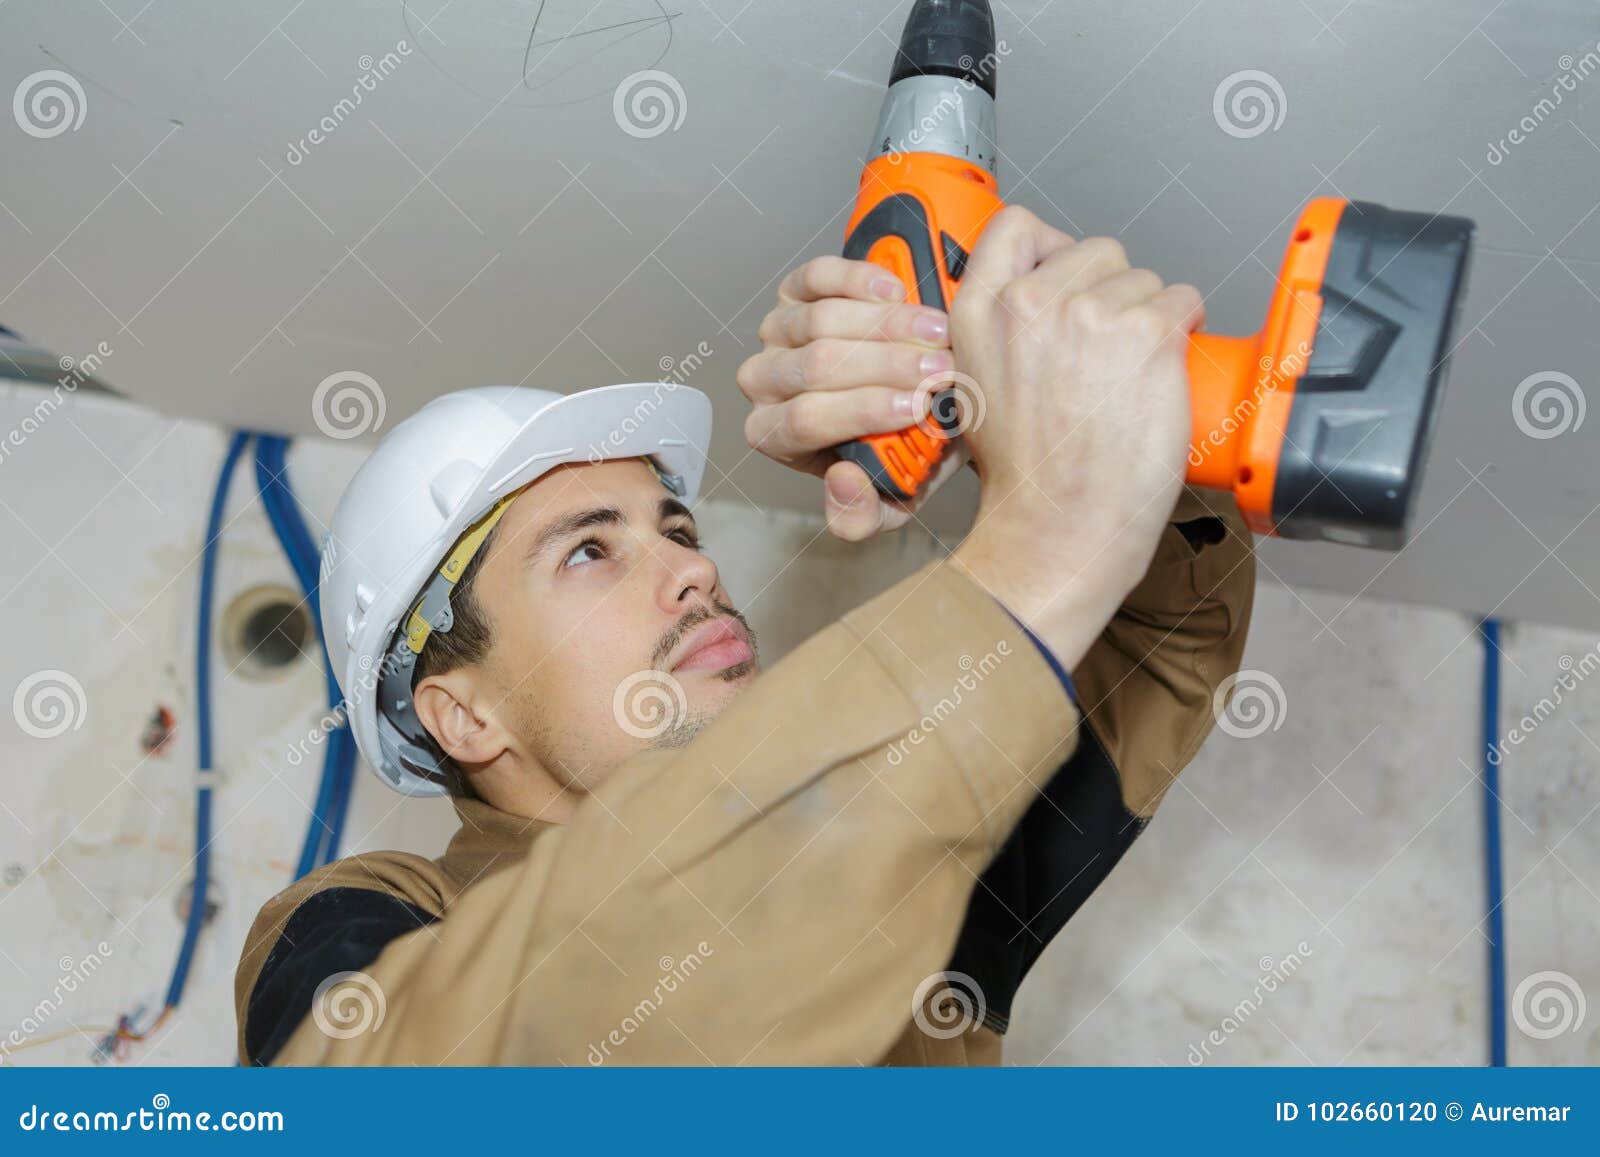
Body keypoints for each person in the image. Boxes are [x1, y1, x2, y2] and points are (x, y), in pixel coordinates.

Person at [233, 207, 1255, 1065]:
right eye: (589, 550)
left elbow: (1168, 627)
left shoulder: (914, 850)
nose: (696, 569)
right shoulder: (365, 926)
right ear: (463, 714)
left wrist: (1020, 411)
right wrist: (1033, 548)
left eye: (677, 529)